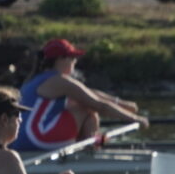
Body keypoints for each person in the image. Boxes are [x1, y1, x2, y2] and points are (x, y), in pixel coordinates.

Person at [11, 38, 145, 153]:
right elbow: (99, 106)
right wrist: (135, 119)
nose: (75, 62)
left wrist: (123, 105)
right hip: (38, 138)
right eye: (72, 58)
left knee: (78, 105)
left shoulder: (34, 80)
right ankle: (91, 153)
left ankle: (86, 148)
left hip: (18, 142)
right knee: (88, 109)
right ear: (60, 59)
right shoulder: (60, 81)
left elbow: (90, 93)